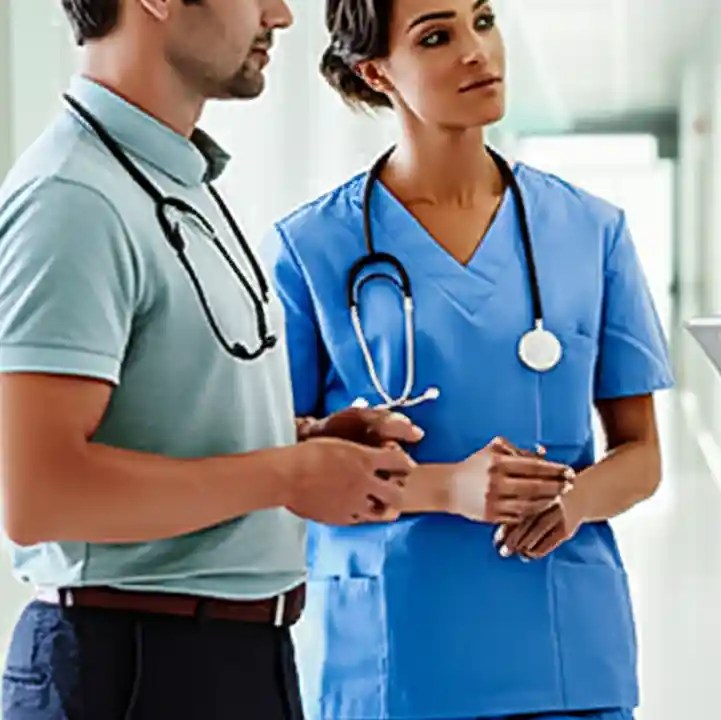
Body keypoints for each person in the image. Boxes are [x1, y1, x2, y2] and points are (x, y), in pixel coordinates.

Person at [0, 1, 424, 718]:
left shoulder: (177, 183)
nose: (281, 15)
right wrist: (285, 474)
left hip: (229, 657)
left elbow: (155, 421)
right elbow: (40, 492)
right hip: (134, 665)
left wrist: (306, 444)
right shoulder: (72, 198)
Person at [266, 0, 675, 718]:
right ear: (377, 73)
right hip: (391, 649)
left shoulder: (590, 231)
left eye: (483, 21)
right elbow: (281, 465)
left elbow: (641, 455)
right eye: (436, 36)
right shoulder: (313, 247)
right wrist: (444, 488)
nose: (476, 52)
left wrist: (574, 503)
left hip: (561, 647)